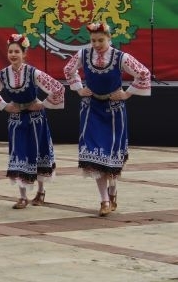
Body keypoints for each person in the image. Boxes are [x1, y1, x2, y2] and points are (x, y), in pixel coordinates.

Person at [63, 21, 151, 216]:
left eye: (100, 40)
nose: (96, 44)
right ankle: (103, 200)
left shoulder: (120, 57)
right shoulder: (84, 54)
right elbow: (69, 70)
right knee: (94, 154)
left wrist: (127, 94)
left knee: (110, 156)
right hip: (91, 108)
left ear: (109, 38)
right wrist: (79, 89)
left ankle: (112, 191)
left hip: (113, 111)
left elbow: (143, 73)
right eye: (93, 40)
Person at [0, 34, 64, 209]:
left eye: (17, 52)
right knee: (18, 154)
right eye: (11, 51)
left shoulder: (32, 72)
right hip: (16, 119)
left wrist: (43, 104)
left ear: (24, 53)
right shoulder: (3, 74)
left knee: (38, 153)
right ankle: (22, 196)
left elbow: (57, 88)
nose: (13, 55)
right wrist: (5, 106)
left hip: (35, 120)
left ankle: (41, 191)